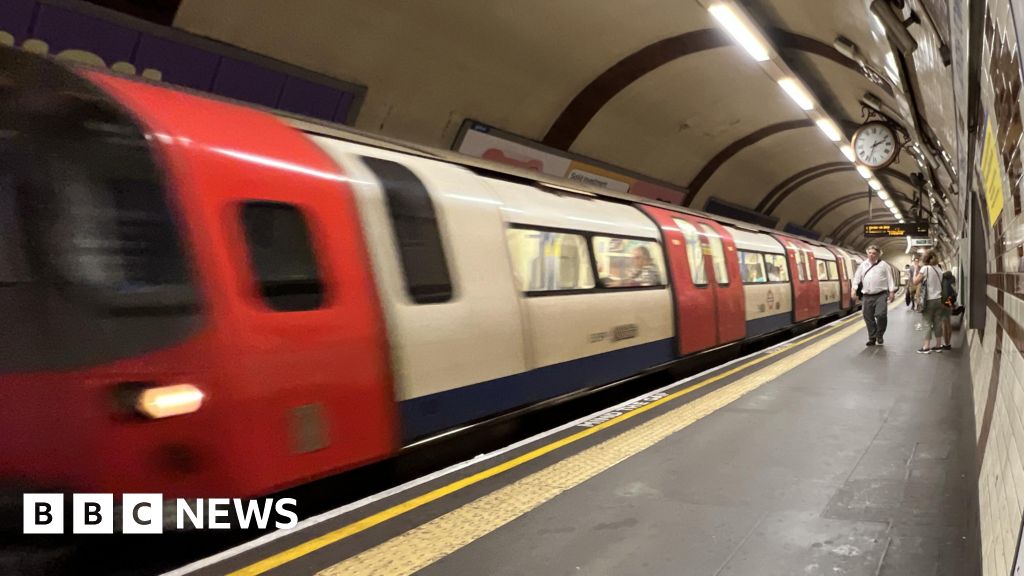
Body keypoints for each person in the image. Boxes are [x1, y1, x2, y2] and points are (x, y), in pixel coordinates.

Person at [852, 245, 897, 346]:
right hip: (867, 296)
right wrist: (853, 289)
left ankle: (879, 335)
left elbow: (890, 279)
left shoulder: (884, 265)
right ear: (867, 253)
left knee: (881, 315)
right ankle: (872, 338)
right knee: (868, 317)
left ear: (878, 254)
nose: (872, 255)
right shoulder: (862, 265)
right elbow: (856, 278)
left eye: (874, 253)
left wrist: (892, 292)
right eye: (870, 253)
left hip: (880, 295)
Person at [912, 250, 945, 354]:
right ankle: (938, 345)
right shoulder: (939, 269)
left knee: (927, 323)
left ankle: (926, 347)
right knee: (938, 323)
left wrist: (915, 270)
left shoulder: (925, 268)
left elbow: (915, 281)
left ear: (925, 259)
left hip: (928, 300)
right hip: (939, 299)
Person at [938, 270, 957, 351]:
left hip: (945, 304)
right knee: (948, 323)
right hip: (949, 303)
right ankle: (948, 343)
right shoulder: (952, 281)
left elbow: (945, 294)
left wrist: (942, 304)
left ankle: (946, 344)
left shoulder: (945, 283)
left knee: (945, 324)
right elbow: (953, 294)